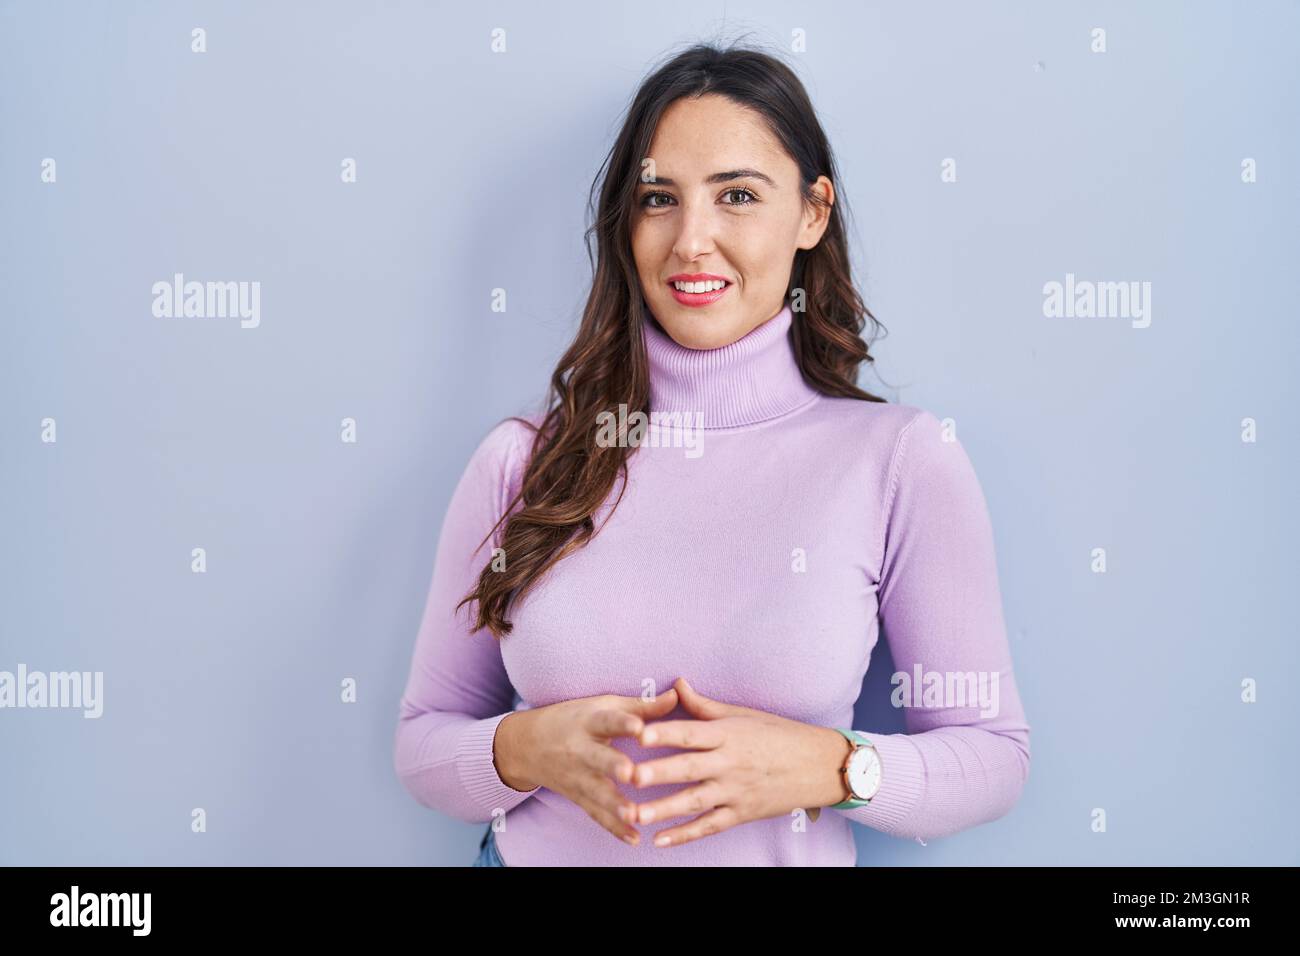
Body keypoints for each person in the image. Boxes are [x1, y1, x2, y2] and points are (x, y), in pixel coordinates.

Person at [394, 41, 1030, 867]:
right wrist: (523, 748)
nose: (692, 240)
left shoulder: (901, 461)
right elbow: (422, 743)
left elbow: (993, 756)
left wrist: (830, 765)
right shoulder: (522, 463)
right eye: (659, 198)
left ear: (812, 212)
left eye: (737, 195)